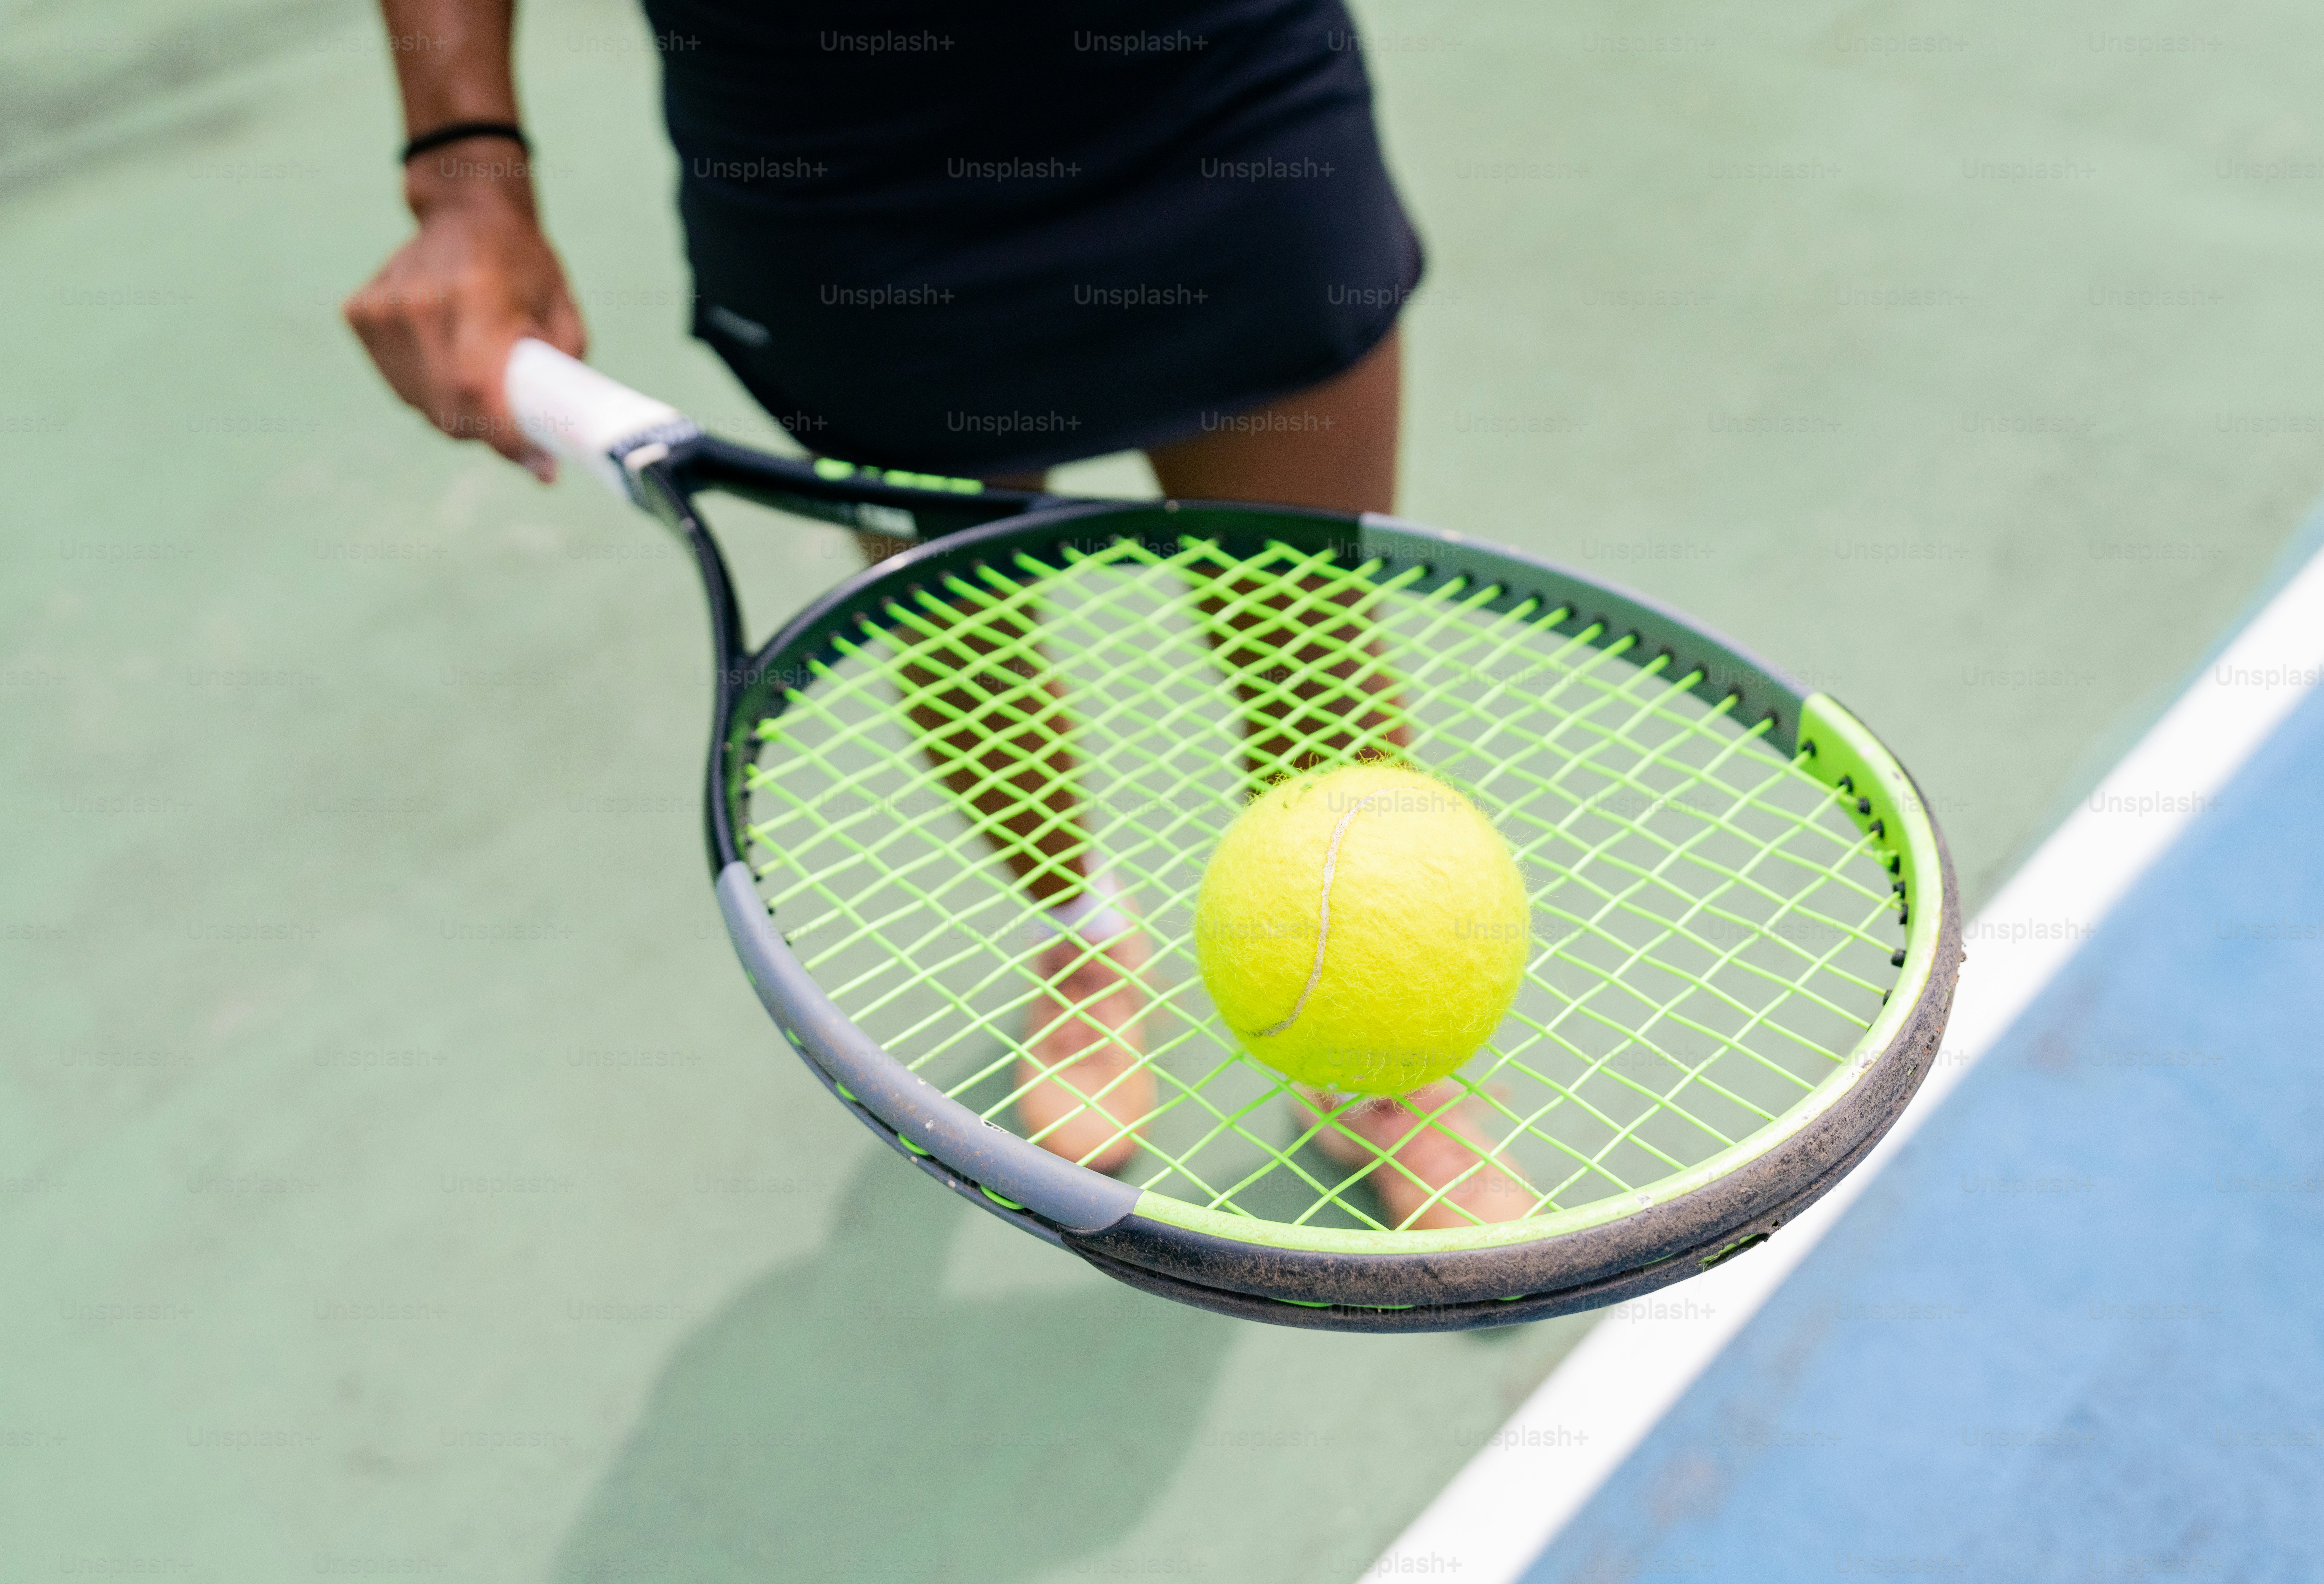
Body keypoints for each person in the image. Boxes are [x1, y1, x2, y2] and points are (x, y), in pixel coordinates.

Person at [345, 0, 1526, 1226]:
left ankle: (1371, 1052)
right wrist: (462, 176)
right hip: (844, 151)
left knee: (1303, 626)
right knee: (963, 641)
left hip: (1211, 89)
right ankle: (1083, 933)